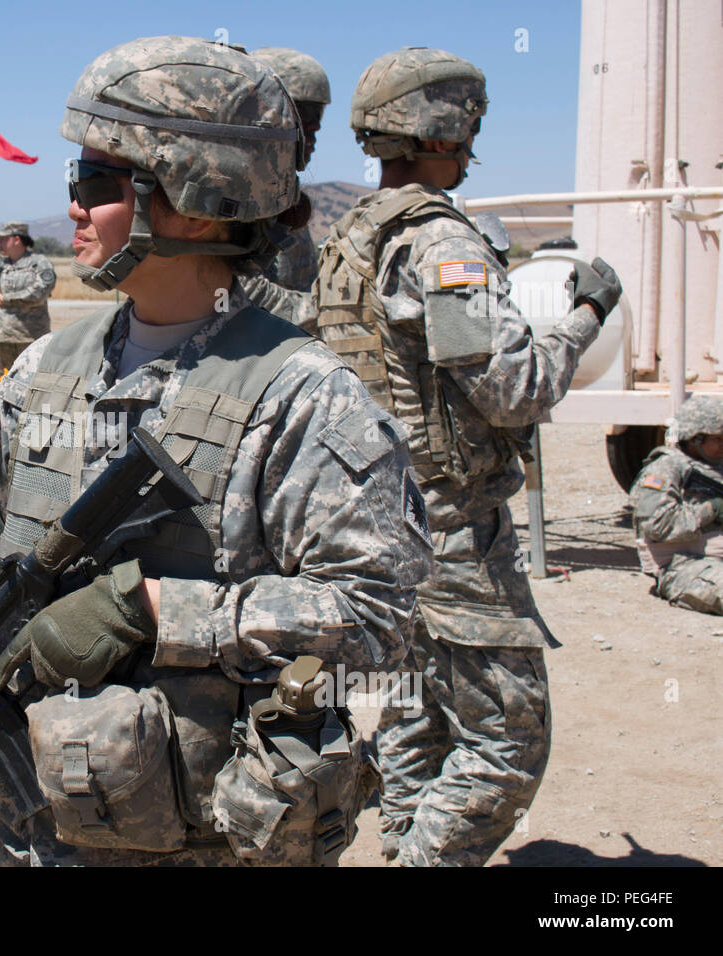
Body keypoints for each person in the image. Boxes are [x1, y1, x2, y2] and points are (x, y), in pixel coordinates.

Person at [0, 36, 433, 867]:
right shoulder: (43, 373)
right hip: (26, 829)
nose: (72, 206)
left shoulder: (301, 395)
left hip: (204, 837)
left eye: (96, 183)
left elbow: (379, 618)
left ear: (191, 200)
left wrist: (150, 611)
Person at [324, 47, 622, 867]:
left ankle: (403, 852)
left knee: (419, 718)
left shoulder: (351, 233)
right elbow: (512, 388)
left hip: (376, 521)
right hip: (450, 529)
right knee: (507, 744)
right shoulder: (439, 246)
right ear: (447, 131)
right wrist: (588, 314)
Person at [630, 395, 723, 615]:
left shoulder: (716, 466)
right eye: (717, 438)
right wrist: (711, 510)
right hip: (685, 566)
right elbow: (656, 526)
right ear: (695, 439)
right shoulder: (665, 469)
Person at [252, 47, 330, 293]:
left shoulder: (285, 201)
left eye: (317, 113)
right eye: (300, 113)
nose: (314, 125)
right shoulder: (231, 207)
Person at [0, 222, 55, 379]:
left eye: (3, 239)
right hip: (1, 335)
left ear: (16, 239)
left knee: (33, 385)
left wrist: (7, 299)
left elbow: (40, 293)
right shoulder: (0, 264)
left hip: (30, 336)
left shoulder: (39, 263)